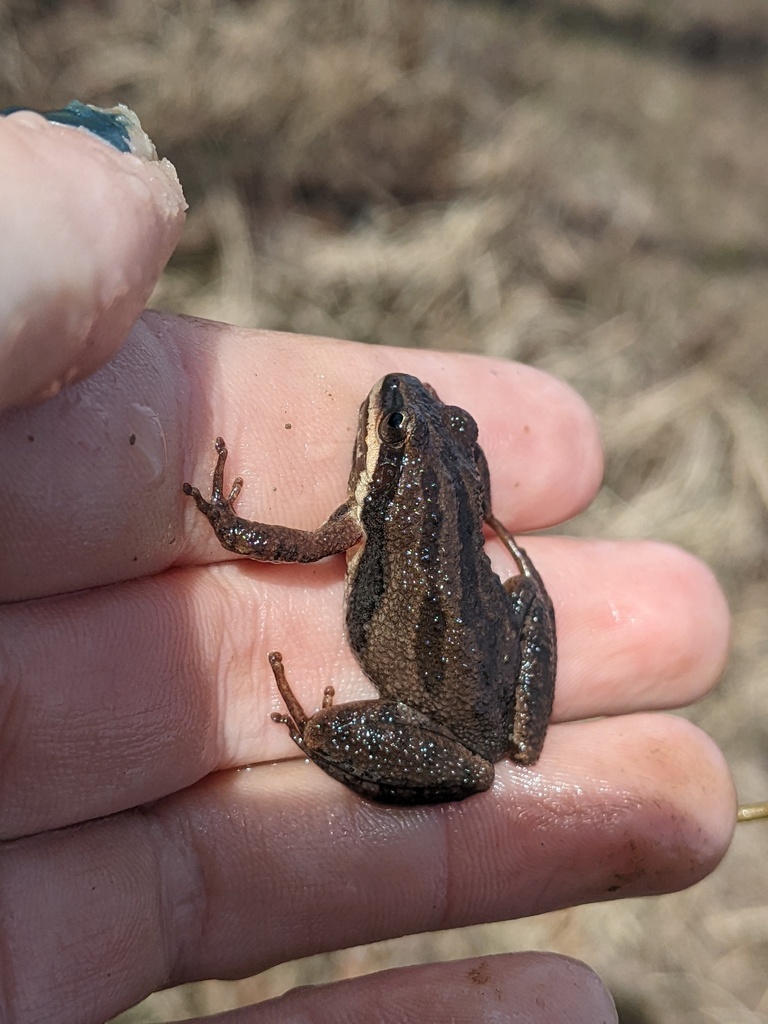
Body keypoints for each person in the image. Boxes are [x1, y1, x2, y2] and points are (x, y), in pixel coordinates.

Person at [0, 106, 735, 1024]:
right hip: (491, 683)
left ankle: (323, 736)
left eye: (411, 436)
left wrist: (222, 516)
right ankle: (509, 629)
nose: (405, 413)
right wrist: (527, 605)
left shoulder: (361, 517)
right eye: (405, 432)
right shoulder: (410, 516)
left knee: (469, 753)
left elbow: (283, 545)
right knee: (516, 661)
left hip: (428, 710)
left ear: (382, 481)